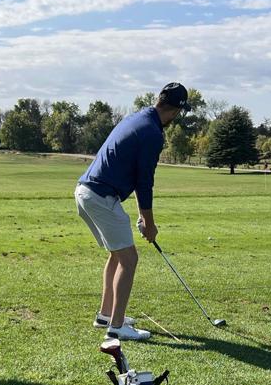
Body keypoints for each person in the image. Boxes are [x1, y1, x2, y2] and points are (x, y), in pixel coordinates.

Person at [74, 82, 190, 342]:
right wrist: (148, 222)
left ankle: (106, 314)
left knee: (117, 255)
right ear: (175, 111)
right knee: (129, 259)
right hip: (99, 196)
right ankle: (116, 327)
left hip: (85, 191)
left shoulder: (138, 117)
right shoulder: (152, 133)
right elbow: (144, 181)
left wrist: (142, 216)